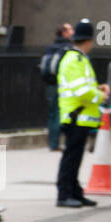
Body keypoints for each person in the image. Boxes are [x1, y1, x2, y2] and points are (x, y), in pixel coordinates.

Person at [55, 18, 108, 207]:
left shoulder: (80, 59)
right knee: (71, 157)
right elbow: (82, 91)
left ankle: (75, 192)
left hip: (80, 117)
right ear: (88, 40)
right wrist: (101, 96)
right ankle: (64, 195)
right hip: (75, 116)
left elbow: (87, 86)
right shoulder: (74, 60)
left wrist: (98, 88)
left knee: (75, 157)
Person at [41, 23, 73, 151]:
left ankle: (51, 142)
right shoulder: (67, 48)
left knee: (51, 113)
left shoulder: (50, 48)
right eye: (70, 30)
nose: (73, 32)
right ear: (64, 33)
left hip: (49, 84)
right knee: (60, 113)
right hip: (61, 84)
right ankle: (55, 143)